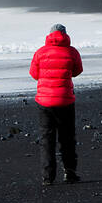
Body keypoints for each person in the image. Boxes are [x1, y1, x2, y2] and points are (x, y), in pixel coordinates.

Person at [29, 23, 83, 186]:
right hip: (66, 100)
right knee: (67, 138)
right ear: (65, 35)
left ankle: (48, 177)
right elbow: (77, 70)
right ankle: (70, 173)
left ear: (50, 35)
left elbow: (34, 74)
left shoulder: (40, 52)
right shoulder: (72, 52)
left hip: (44, 102)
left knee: (47, 139)